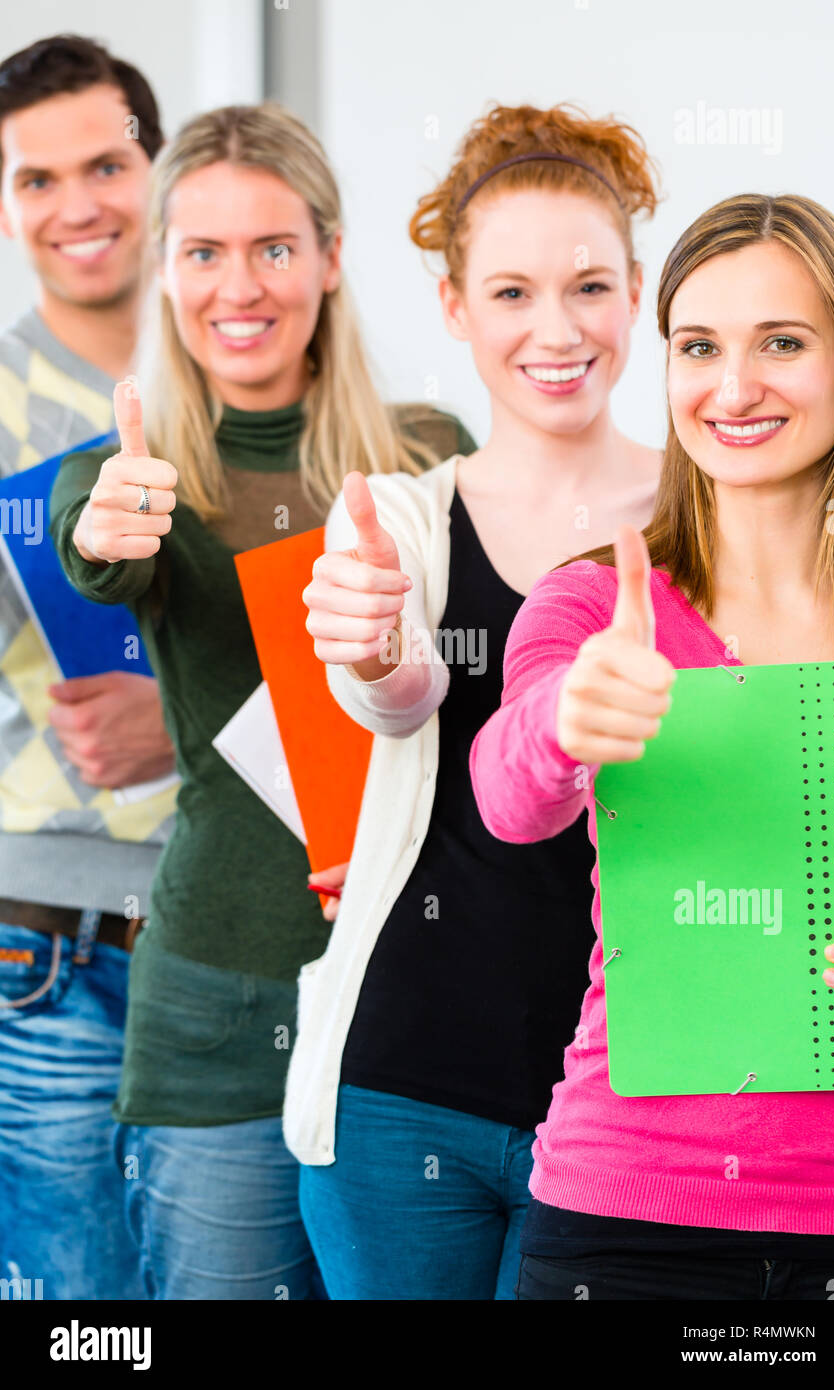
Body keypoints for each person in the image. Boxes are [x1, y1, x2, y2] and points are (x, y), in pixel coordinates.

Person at [50, 100, 474, 1300]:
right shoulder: (131, 475)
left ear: (330, 260)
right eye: (203, 252)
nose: (241, 285)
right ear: (165, 272)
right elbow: (104, 553)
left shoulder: (428, 453)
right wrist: (104, 527)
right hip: (217, 1006)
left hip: (405, 986)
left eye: (274, 248)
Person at [287, 102, 661, 1299]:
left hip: (633, 1100)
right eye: (508, 293)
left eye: (587, 287)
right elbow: (398, 692)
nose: (554, 330)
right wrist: (371, 647)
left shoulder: (707, 515)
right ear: (453, 307)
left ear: (637, 292)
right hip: (403, 1090)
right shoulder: (395, 521)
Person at [470, 191, 834, 1301]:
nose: (731, 388)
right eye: (698, 347)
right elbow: (510, 796)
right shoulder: (594, 608)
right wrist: (564, 721)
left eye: (779, 343)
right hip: (628, 1214)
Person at [0, 34, 176, 1302]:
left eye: (106, 164)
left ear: (160, 168)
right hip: (33, 950)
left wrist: (184, 717)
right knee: (85, 1324)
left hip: (245, 939)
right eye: (36, 179)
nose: (77, 207)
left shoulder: (263, 359)